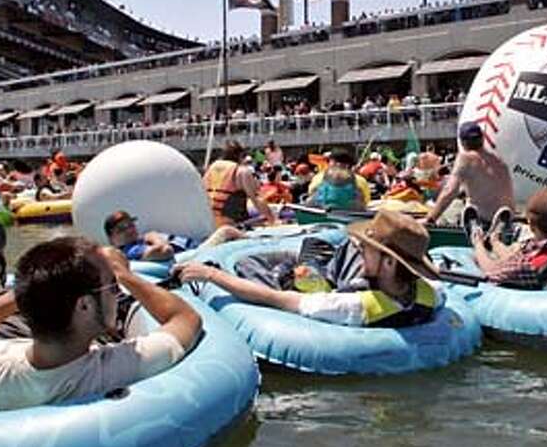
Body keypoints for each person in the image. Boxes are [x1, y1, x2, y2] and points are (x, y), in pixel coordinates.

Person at [0, 227, 202, 412]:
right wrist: (125, 274)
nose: (117, 293)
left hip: (13, 338)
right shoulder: (111, 370)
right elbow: (185, 318)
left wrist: (25, 293)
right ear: (85, 305)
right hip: (34, 330)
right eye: (112, 287)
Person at [177, 209, 445, 328]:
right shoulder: (432, 295)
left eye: (367, 248)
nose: (361, 249)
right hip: (374, 284)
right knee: (325, 248)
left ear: (389, 262)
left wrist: (211, 274)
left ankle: (306, 263)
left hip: (312, 289)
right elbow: (434, 282)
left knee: (257, 265)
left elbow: (275, 298)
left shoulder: (352, 307)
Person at [468, 189, 547, 289]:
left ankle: (478, 237)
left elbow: (491, 271)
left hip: (536, 278)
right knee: (516, 251)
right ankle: (494, 240)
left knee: (510, 255)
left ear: (532, 226)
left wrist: (477, 244)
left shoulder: (530, 267)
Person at [424, 121, 516, 229]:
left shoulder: (465, 158)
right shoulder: (500, 161)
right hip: (507, 221)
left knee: (446, 216)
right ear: (482, 139)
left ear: (462, 143)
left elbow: (450, 191)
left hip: (483, 222)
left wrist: (430, 219)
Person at [103, 209, 242, 262]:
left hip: (197, 246)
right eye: (121, 229)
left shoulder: (138, 242)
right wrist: (153, 236)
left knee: (228, 227)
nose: (129, 230)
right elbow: (166, 251)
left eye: (131, 225)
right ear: (111, 239)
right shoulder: (131, 250)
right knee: (226, 231)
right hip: (196, 254)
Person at [203, 140, 276, 227]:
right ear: (240, 156)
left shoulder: (211, 168)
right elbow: (257, 200)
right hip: (231, 224)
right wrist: (273, 220)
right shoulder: (241, 171)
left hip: (208, 222)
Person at [306, 149, 371, 211]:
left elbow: (310, 192)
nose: (339, 164)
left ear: (330, 162)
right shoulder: (360, 180)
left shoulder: (318, 177)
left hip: (322, 212)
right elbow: (366, 200)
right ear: (348, 165)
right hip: (350, 214)